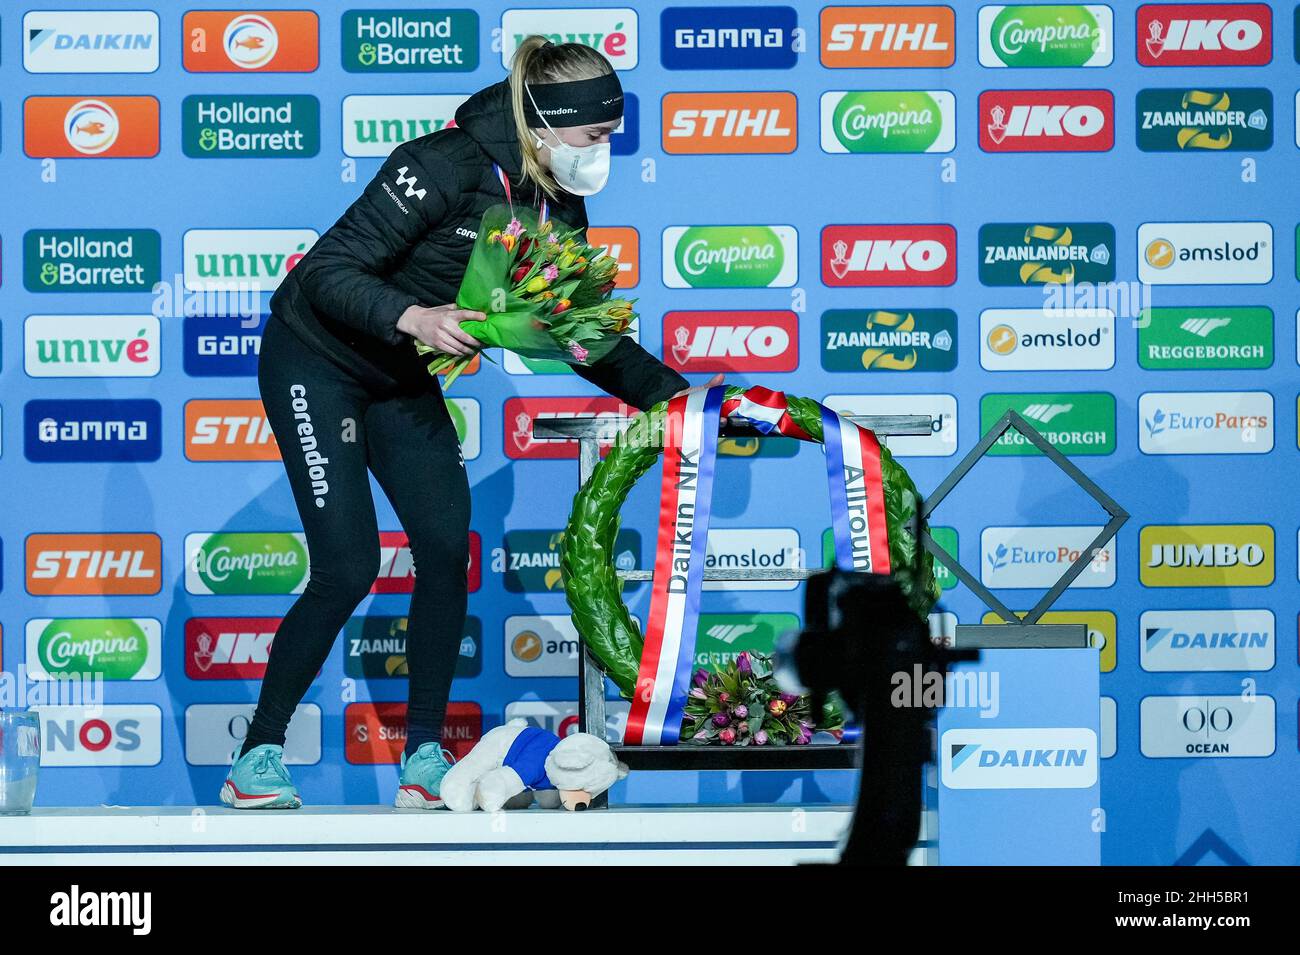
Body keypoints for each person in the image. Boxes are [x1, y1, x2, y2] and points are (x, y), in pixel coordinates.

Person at [221, 37, 710, 809]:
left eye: (612, 134)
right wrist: (412, 313)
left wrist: (684, 404)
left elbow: (578, 332)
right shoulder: (441, 164)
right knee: (348, 565)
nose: (604, 151)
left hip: (396, 374)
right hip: (315, 359)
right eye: (594, 136)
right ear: (545, 124)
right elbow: (324, 272)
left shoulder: (557, 202)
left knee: (447, 548)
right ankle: (257, 757)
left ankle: (423, 758)